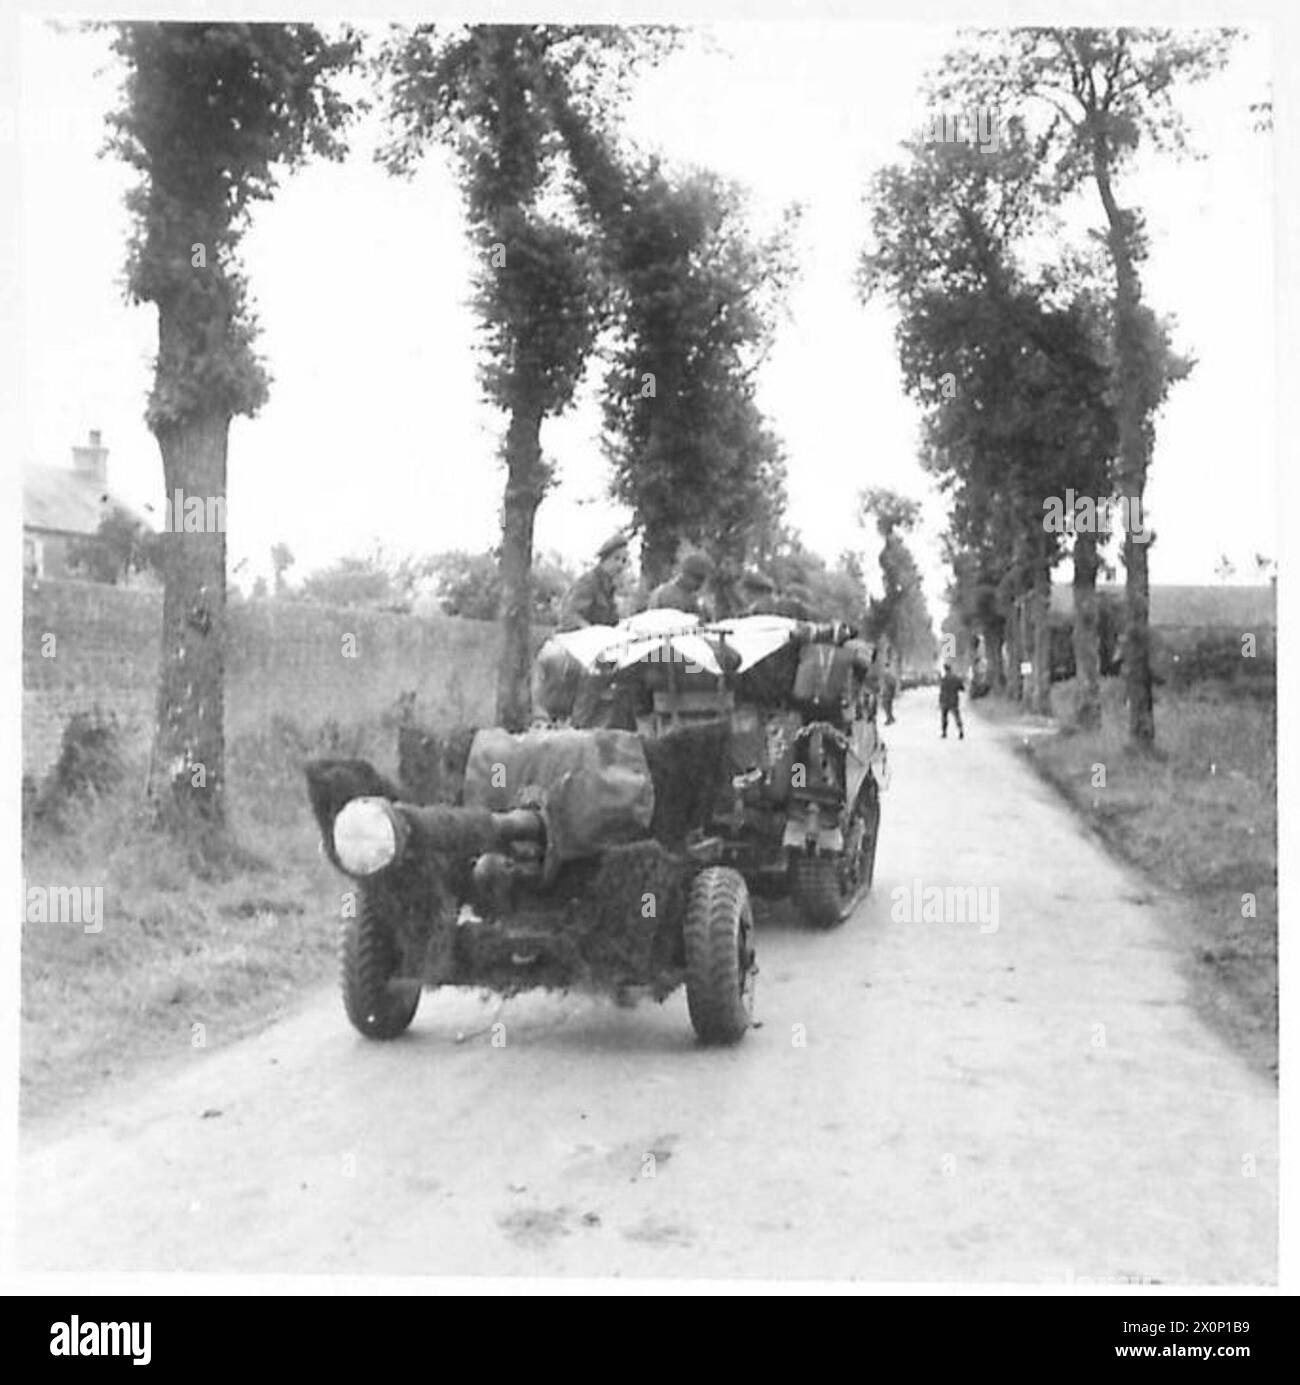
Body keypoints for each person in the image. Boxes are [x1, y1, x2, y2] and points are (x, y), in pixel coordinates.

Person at [556, 532, 630, 632]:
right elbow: (570, 615)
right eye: (616, 558)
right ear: (604, 559)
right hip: (572, 641)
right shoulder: (589, 582)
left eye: (624, 561)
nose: (620, 565)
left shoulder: (609, 588)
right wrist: (591, 632)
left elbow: (612, 622)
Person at [648, 551, 713, 615]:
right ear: (686, 574)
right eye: (698, 579)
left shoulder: (693, 600)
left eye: (702, 580)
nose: (700, 584)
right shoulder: (666, 595)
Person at [939, 660, 965, 740]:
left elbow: (941, 691)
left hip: (945, 701)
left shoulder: (943, 679)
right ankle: (960, 730)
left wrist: (940, 701)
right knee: (957, 716)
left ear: (945, 670)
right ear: (951, 669)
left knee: (944, 717)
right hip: (954, 700)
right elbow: (962, 688)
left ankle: (944, 732)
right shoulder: (956, 678)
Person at [880, 659, 898, 725]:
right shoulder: (887, 676)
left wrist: (891, 691)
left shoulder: (888, 676)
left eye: (886, 668)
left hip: (887, 693)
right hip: (887, 693)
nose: (885, 669)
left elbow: (893, 684)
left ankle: (889, 719)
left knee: (886, 706)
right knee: (888, 706)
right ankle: (891, 718)